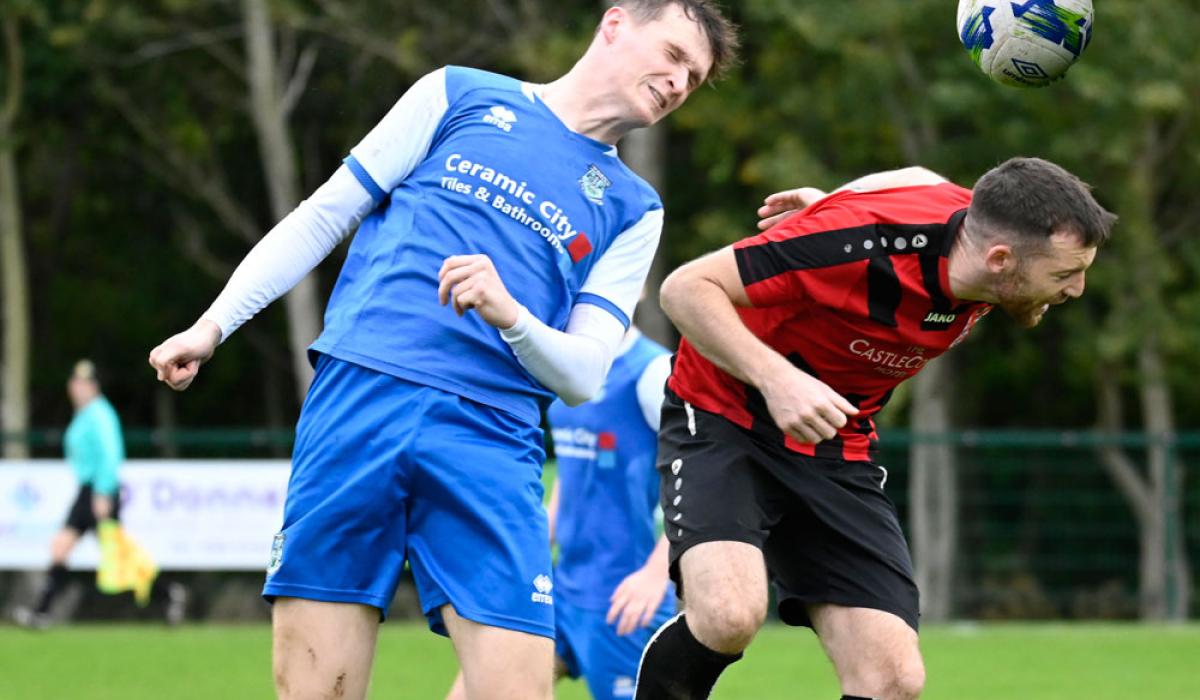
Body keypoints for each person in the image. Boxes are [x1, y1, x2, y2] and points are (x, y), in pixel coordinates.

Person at [147, 3, 738, 698]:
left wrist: (511, 315)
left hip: (491, 435)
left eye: (694, 78)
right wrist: (213, 324)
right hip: (359, 398)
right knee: (316, 687)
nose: (679, 82)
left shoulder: (635, 207)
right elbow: (324, 216)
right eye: (673, 55)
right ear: (615, 25)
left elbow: (583, 374)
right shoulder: (457, 93)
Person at [632, 157, 1117, 700]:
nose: (1077, 289)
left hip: (836, 442)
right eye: (1064, 274)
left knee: (893, 679)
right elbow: (685, 288)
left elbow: (921, 178)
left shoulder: (982, 230)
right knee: (728, 615)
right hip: (723, 414)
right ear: (999, 259)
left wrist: (836, 199)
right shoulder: (853, 244)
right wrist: (777, 379)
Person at [446, 325, 676, 700]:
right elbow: (573, 478)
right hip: (557, 589)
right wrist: (527, 549)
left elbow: (702, 485)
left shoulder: (653, 372)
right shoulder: (567, 365)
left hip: (623, 600)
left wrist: (655, 575)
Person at [12, 360, 186, 629]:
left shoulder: (100, 414)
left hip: (98, 492)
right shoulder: (84, 414)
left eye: (86, 383)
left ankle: (167, 593)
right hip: (87, 491)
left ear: (94, 387)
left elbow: (110, 454)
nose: (79, 388)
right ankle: (41, 612)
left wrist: (103, 492)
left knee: (118, 558)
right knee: (61, 547)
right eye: (76, 383)